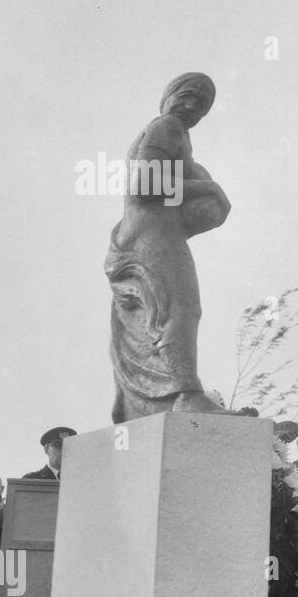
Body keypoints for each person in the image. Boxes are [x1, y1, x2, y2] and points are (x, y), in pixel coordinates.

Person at [106, 73, 229, 423]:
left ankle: (146, 405)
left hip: (144, 236)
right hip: (152, 238)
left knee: (159, 315)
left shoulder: (175, 135)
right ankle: (187, 395)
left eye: (202, 104)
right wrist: (210, 190)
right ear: (168, 96)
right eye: (187, 95)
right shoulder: (166, 126)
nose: (193, 106)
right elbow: (145, 184)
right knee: (181, 307)